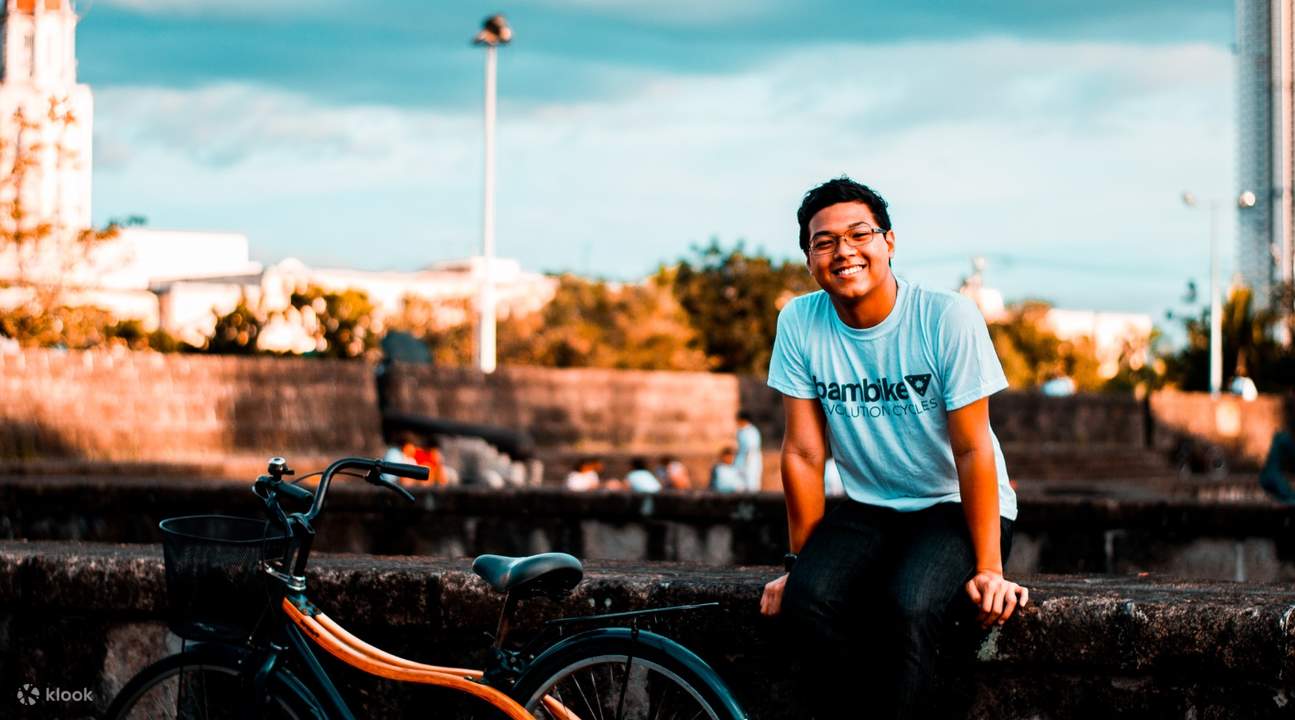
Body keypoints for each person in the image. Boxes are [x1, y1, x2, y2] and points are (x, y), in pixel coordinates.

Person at [759, 177, 1028, 718]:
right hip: (871, 508)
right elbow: (804, 455)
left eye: (859, 234)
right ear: (809, 258)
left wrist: (990, 570)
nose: (843, 251)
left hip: (955, 505)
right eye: (824, 242)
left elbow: (974, 450)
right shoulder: (799, 322)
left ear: (889, 242)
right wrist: (799, 565)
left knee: (910, 605)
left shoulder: (945, 317)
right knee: (809, 602)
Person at [734, 411, 764, 492]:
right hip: (741, 462)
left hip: (750, 461)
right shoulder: (741, 431)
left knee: (751, 485)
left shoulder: (751, 432)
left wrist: (747, 464)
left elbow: (751, 449)